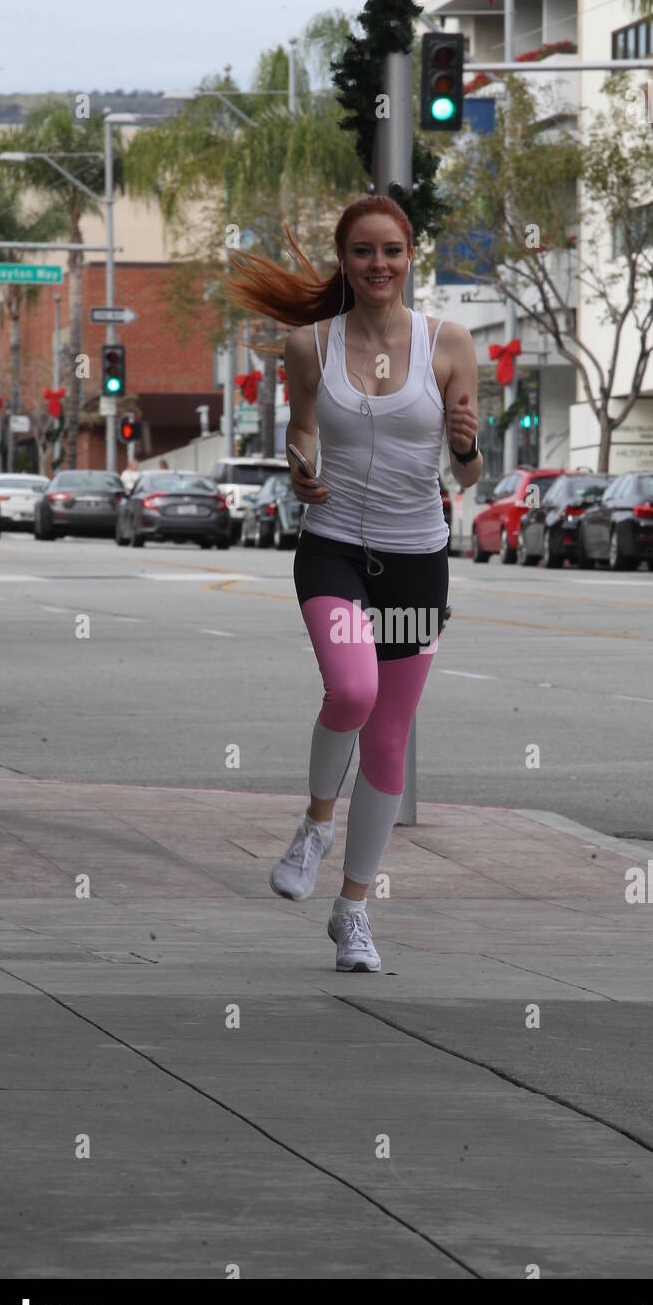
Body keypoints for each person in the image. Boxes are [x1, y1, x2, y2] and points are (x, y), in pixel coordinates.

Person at [225, 195, 482, 972]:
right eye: (364, 251)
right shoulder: (308, 346)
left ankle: (354, 912)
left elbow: (467, 470)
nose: (379, 265)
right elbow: (303, 428)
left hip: (417, 558)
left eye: (393, 251)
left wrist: (469, 448)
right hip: (333, 548)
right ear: (344, 258)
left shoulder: (451, 342)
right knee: (352, 693)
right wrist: (301, 468)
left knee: (390, 740)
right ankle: (313, 823)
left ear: (411, 257)